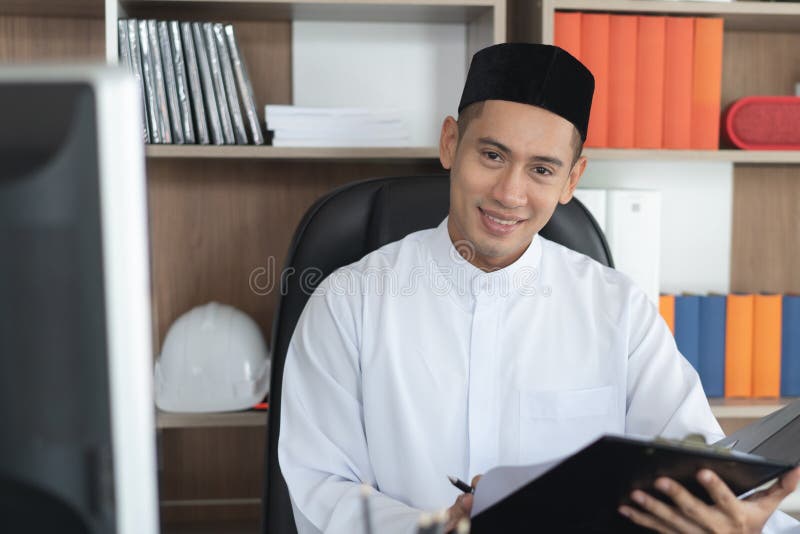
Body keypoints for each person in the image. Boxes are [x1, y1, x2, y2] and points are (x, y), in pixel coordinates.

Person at [278, 43, 800, 533]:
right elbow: (322, 487)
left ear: (572, 180)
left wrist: (741, 523)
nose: (510, 193)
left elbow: (699, 468)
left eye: (542, 169)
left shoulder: (620, 311)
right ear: (450, 144)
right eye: (492, 156)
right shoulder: (348, 303)